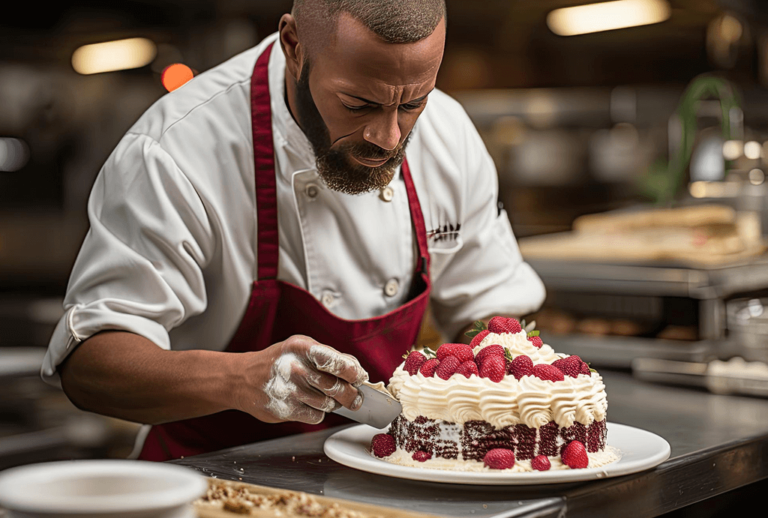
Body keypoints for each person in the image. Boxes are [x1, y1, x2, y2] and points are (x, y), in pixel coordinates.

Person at [42, 0, 545, 461]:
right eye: (357, 104)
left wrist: (485, 367)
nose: (388, 138)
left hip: (385, 474)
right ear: (294, 45)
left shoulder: (449, 134)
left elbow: (490, 309)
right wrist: (241, 379)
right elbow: (89, 366)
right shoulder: (176, 151)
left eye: (413, 104)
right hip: (207, 478)